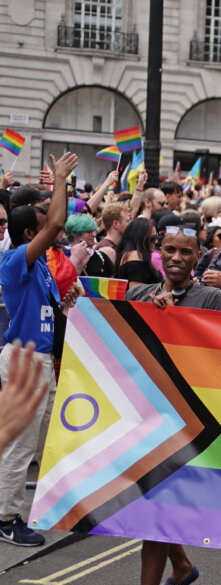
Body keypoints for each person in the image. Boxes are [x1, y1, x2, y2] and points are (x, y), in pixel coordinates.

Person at [119, 226, 221, 585]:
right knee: (155, 508)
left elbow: (215, 353)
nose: (177, 257)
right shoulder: (138, 295)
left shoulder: (210, 298)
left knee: (156, 514)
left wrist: (176, 320)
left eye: (186, 251)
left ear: (199, 256)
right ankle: (181, 566)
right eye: (170, 250)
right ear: (157, 252)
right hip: (145, 417)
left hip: (188, 421)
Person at [0, 151, 78, 547]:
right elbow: (60, 221)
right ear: (31, 234)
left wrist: (62, 303)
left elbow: (45, 304)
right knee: (22, 444)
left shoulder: (42, 266)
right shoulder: (17, 260)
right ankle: (6, 517)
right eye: (45, 226)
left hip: (42, 359)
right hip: (25, 359)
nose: (56, 228)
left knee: (45, 437)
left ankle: (48, 505)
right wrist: (59, 179)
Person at [114, 217, 162, 286]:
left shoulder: (133, 256)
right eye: (152, 238)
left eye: (156, 237)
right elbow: (136, 294)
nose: (156, 241)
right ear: (141, 239)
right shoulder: (135, 257)